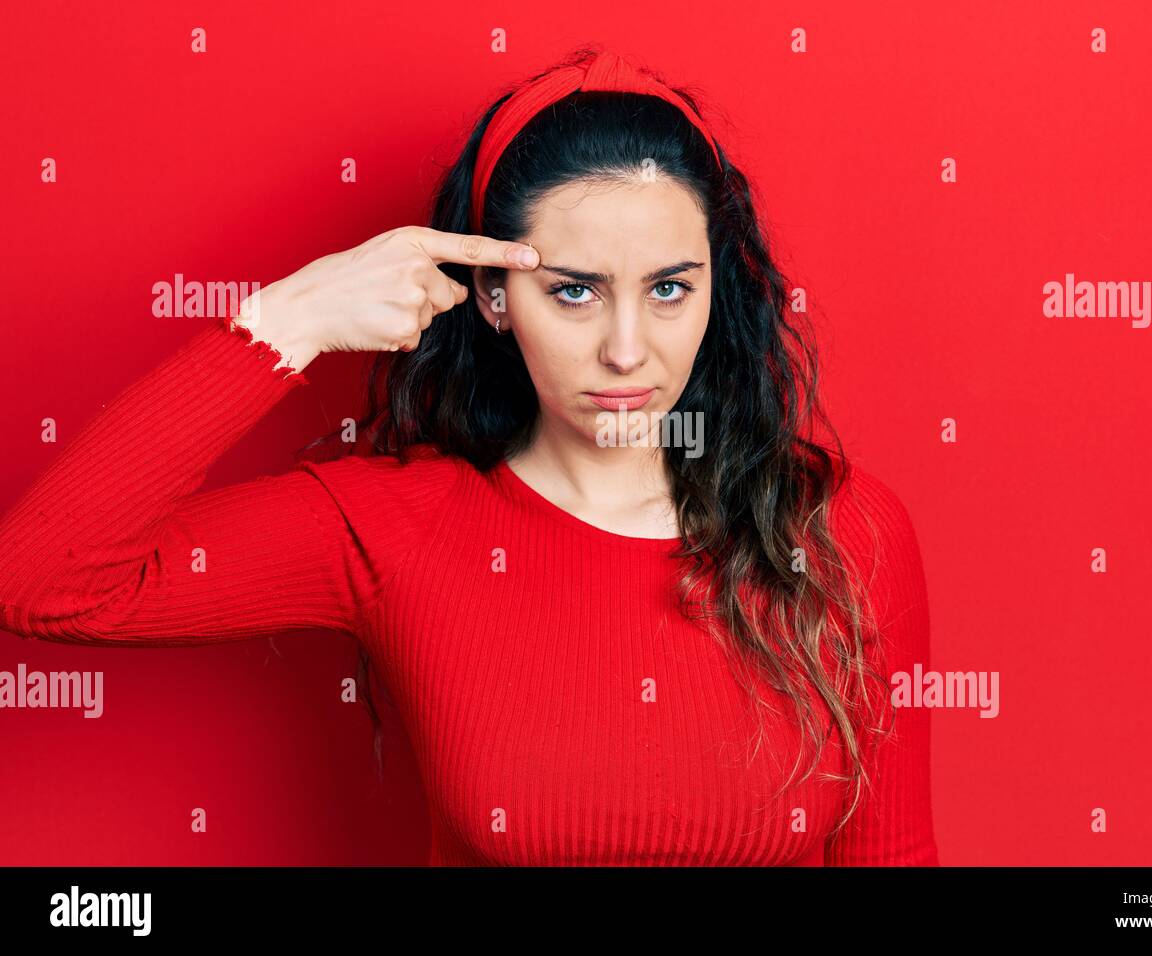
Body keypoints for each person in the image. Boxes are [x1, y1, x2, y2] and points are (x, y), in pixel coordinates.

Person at [0, 47, 939, 866]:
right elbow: (45, 581)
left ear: (712, 291)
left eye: (667, 289)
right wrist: (290, 322)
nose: (625, 349)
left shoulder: (842, 531)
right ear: (494, 296)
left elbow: (892, 858)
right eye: (573, 291)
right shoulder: (390, 527)